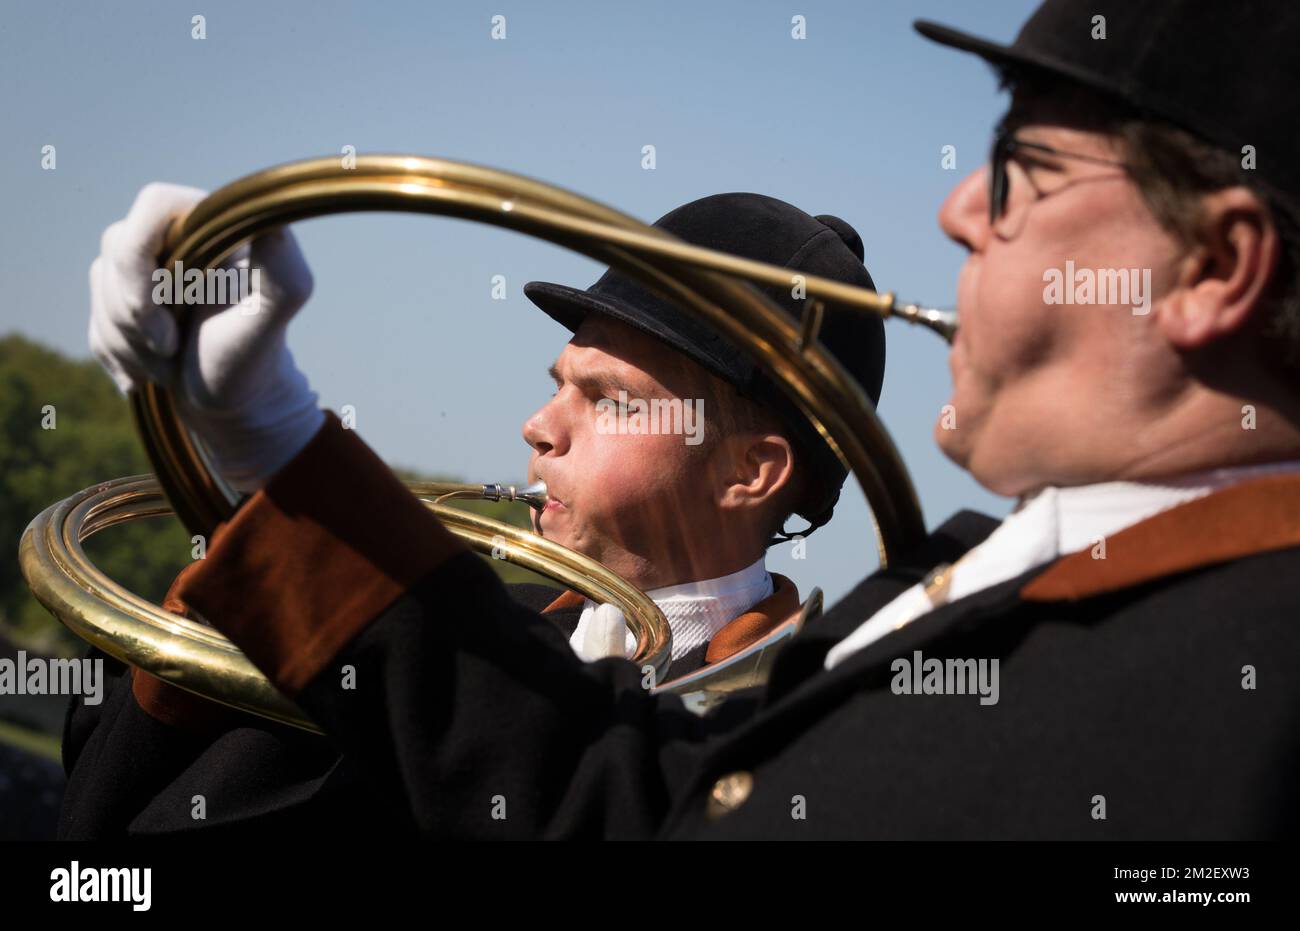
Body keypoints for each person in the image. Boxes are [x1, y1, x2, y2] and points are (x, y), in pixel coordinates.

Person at [81, 0, 1300, 839]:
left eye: (1023, 167)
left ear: (1215, 269)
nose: (956, 208)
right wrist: (269, 447)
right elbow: (629, 809)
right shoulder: (960, 593)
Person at [61, 192, 887, 837]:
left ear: (752, 471)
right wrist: (220, 630)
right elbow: (110, 841)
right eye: (559, 382)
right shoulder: (435, 629)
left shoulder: (798, 743)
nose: (538, 424)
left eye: (607, 398)